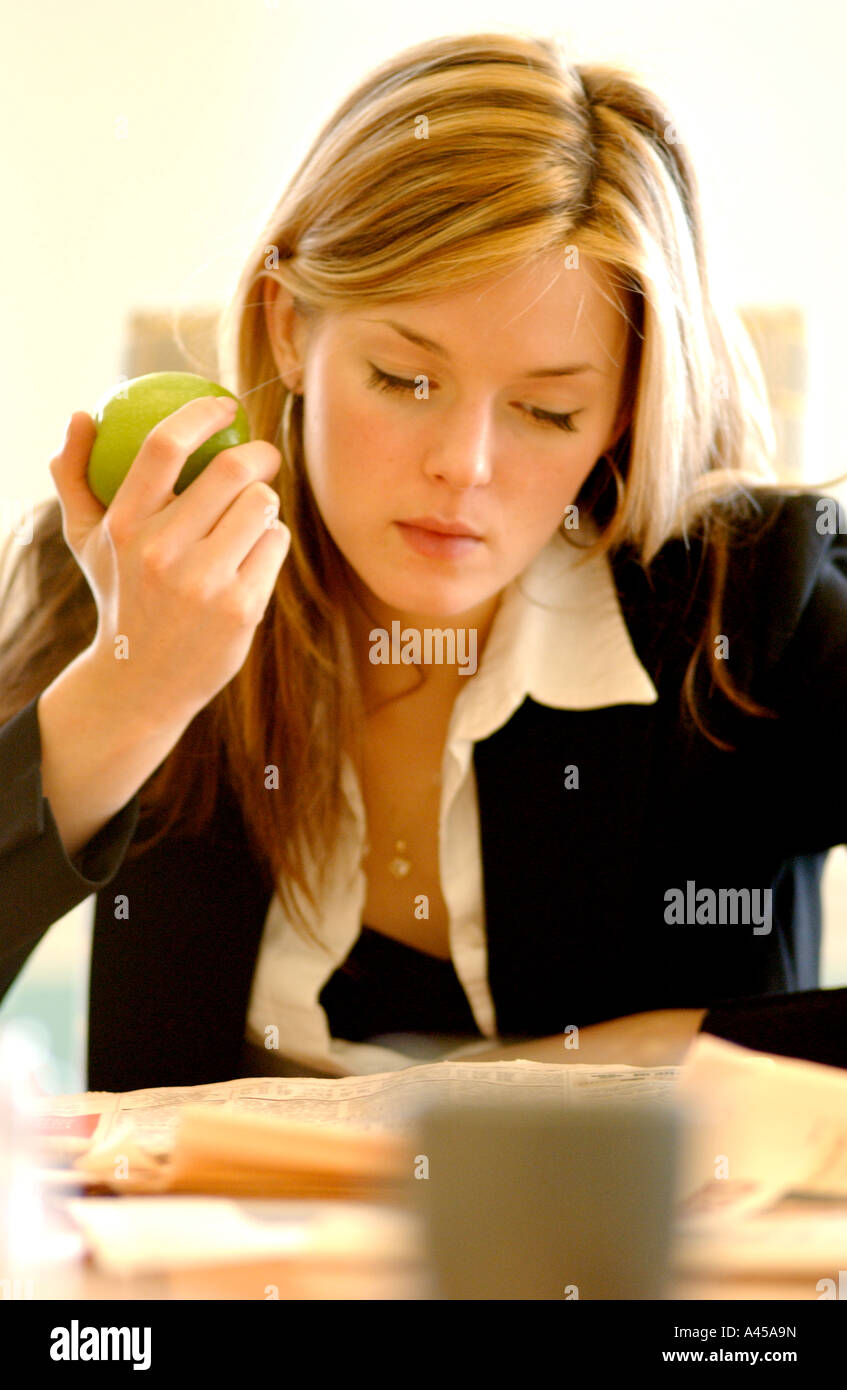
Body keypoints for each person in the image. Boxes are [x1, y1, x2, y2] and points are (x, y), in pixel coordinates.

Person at [0, 32, 845, 1092]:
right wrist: (124, 696)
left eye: (548, 409)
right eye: (404, 378)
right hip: (203, 1259)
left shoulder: (750, 604)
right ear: (291, 323)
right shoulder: (136, 571)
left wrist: (656, 1053)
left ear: (624, 408)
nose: (464, 467)